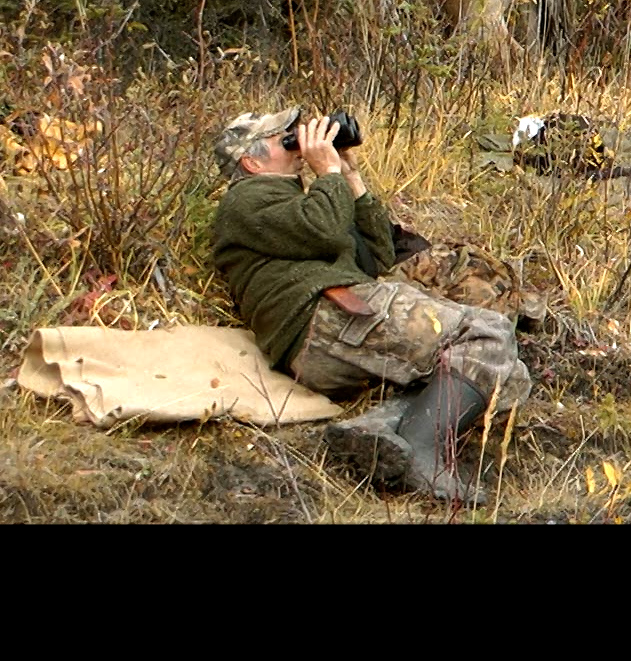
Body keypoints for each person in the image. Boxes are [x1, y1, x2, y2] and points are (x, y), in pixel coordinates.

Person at [209, 107, 532, 503]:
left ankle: (377, 427)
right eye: (286, 138)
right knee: (487, 335)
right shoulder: (245, 202)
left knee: (507, 374)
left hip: (337, 327)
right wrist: (325, 174)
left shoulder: (296, 201)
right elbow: (324, 232)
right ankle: (421, 452)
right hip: (324, 318)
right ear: (251, 161)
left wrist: (348, 175)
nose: (299, 140)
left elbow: (378, 256)